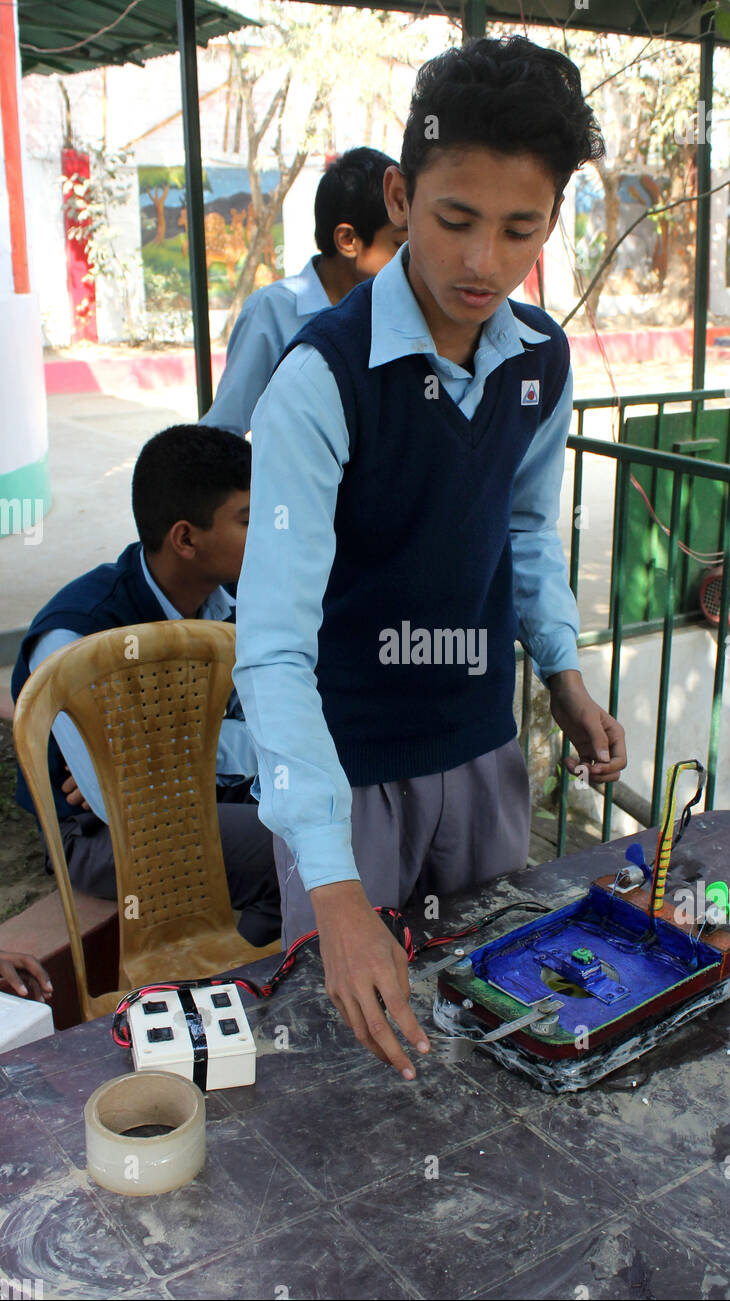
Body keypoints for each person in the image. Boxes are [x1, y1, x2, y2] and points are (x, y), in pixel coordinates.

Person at [233, 36, 627, 1079]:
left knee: (497, 1030)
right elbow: (269, 648)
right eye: (455, 221)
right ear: (404, 197)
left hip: (477, 753)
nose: (481, 263)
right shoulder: (320, 383)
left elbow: (526, 529)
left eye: (518, 230)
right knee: (351, 1056)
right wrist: (330, 886)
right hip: (348, 770)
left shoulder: (538, 359)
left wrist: (561, 674)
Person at [10, 425, 281, 948]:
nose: (273, 531)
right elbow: (111, 796)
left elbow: (276, 719)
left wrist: (147, 755)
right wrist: (135, 768)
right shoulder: (77, 631)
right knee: (290, 845)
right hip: (97, 836)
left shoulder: (233, 598)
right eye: (249, 520)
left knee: (329, 810)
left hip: (202, 797)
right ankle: (238, 991)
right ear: (185, 538)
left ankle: (249, 967)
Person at [201, 147, 407, 437]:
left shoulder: (399, 309)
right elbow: (224, 430)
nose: (413, 260)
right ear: (348, 240)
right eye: (400, 244)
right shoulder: (273, 311)